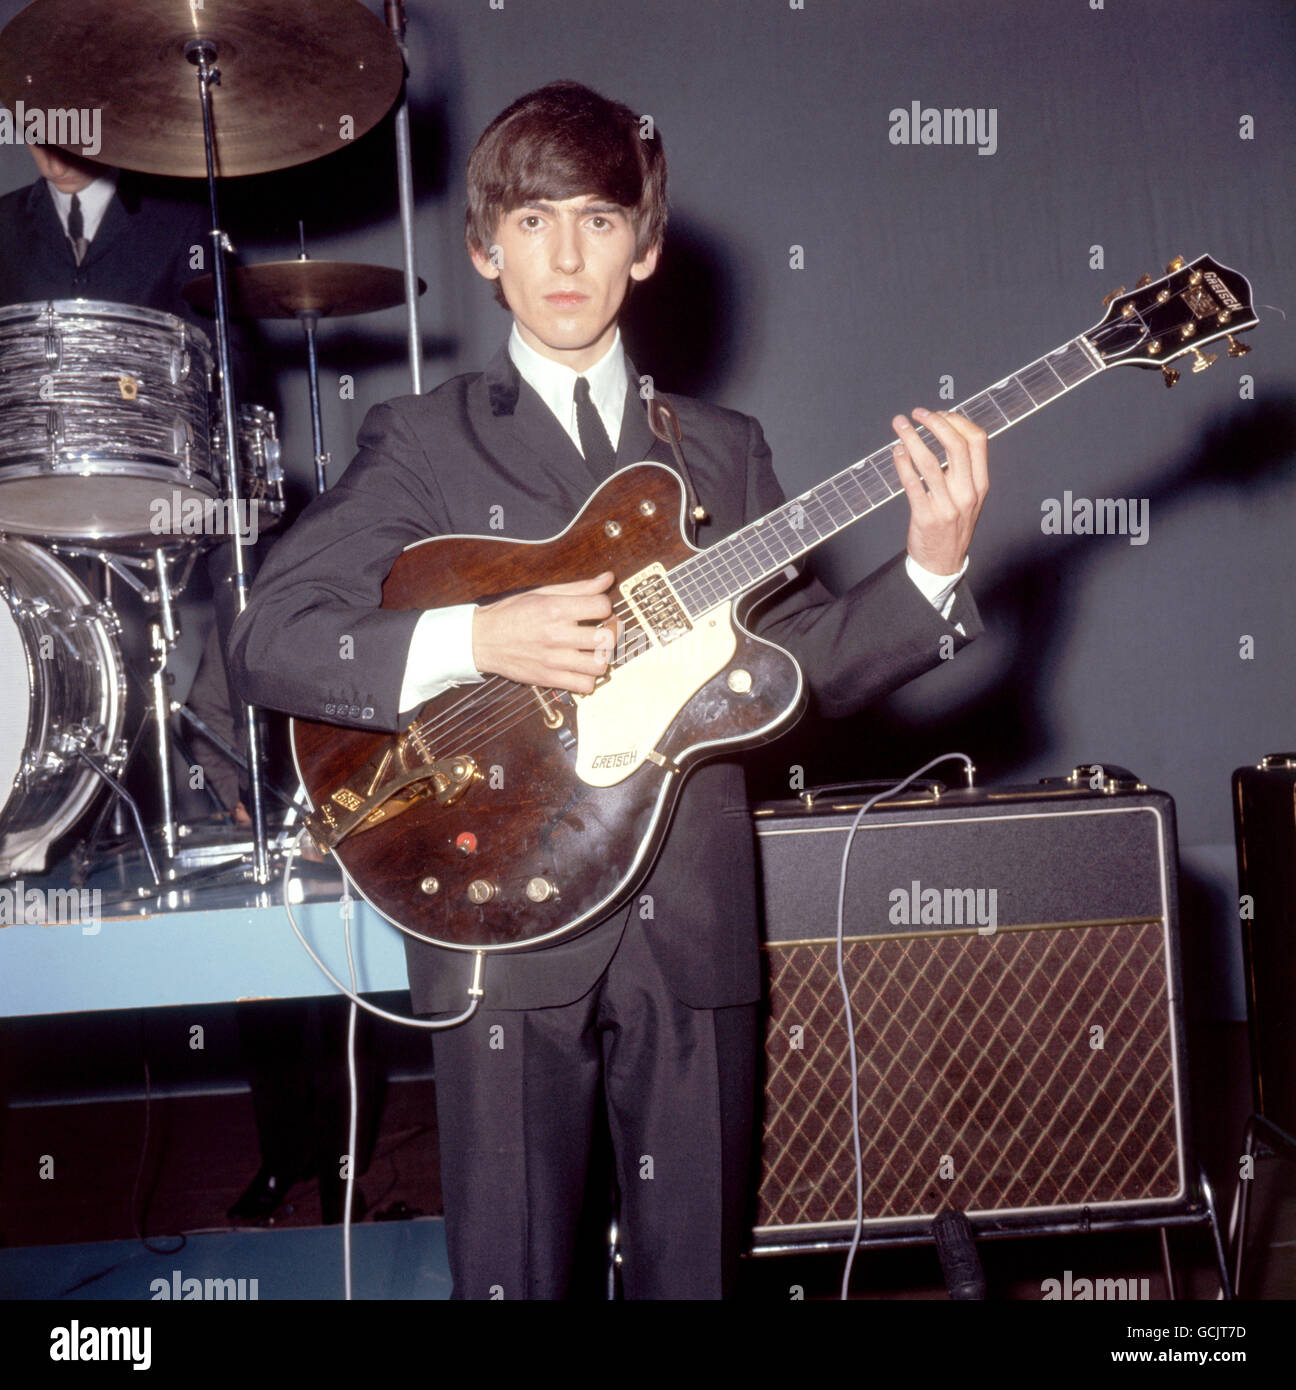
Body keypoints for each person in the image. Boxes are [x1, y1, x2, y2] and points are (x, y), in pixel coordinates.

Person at [226, 81, 989, 1298]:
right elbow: (272, 636)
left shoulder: (722, 450)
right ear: (484, 252)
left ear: (645, 245)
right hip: (496, 913)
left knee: (696, 1274)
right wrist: (482, 636)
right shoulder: (422, 441)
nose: (565, 252)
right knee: (517, 1272)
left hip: (691, 924)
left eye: (594, 217)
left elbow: (798, 664)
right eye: (530, 223)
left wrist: (930, 569)